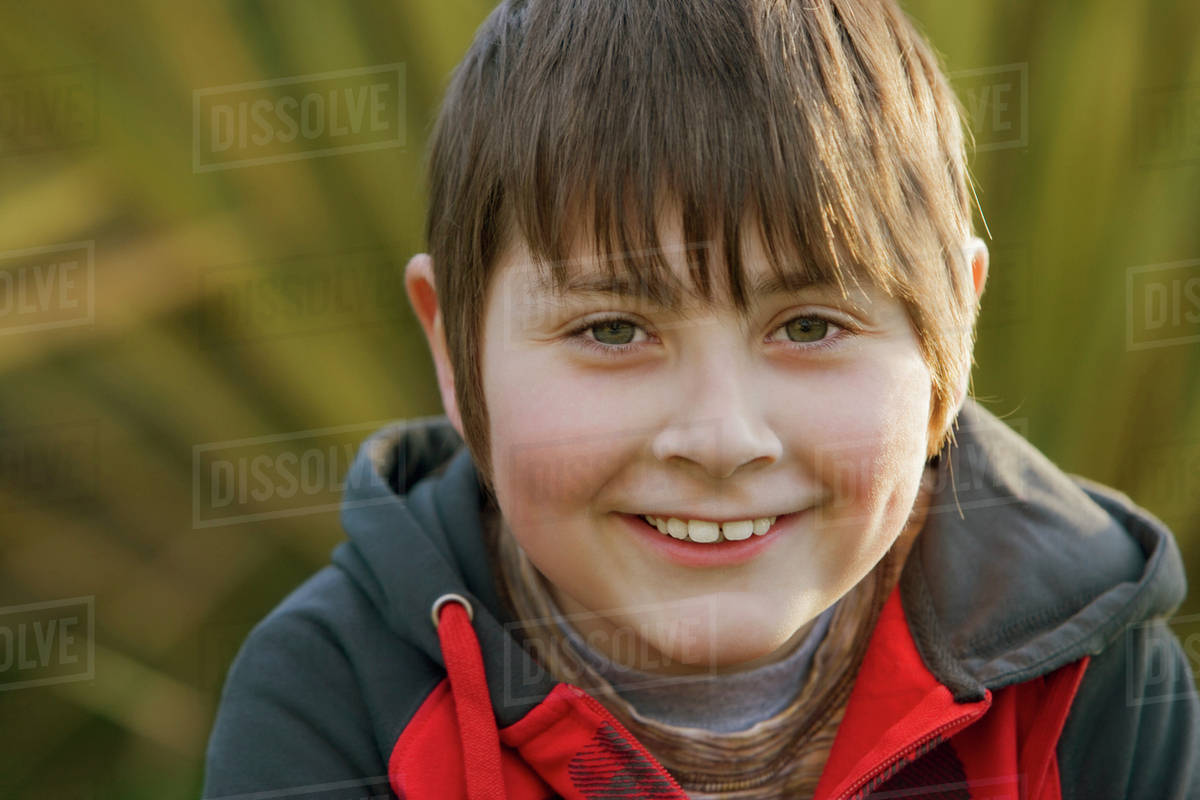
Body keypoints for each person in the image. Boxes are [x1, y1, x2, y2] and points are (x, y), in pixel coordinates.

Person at [202, 0, 1199, 797]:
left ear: (951, 348)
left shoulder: (1092, 683)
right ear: (454, 354)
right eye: (612, 329)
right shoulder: (339, 697)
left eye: (810, 325)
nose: (721, 436)